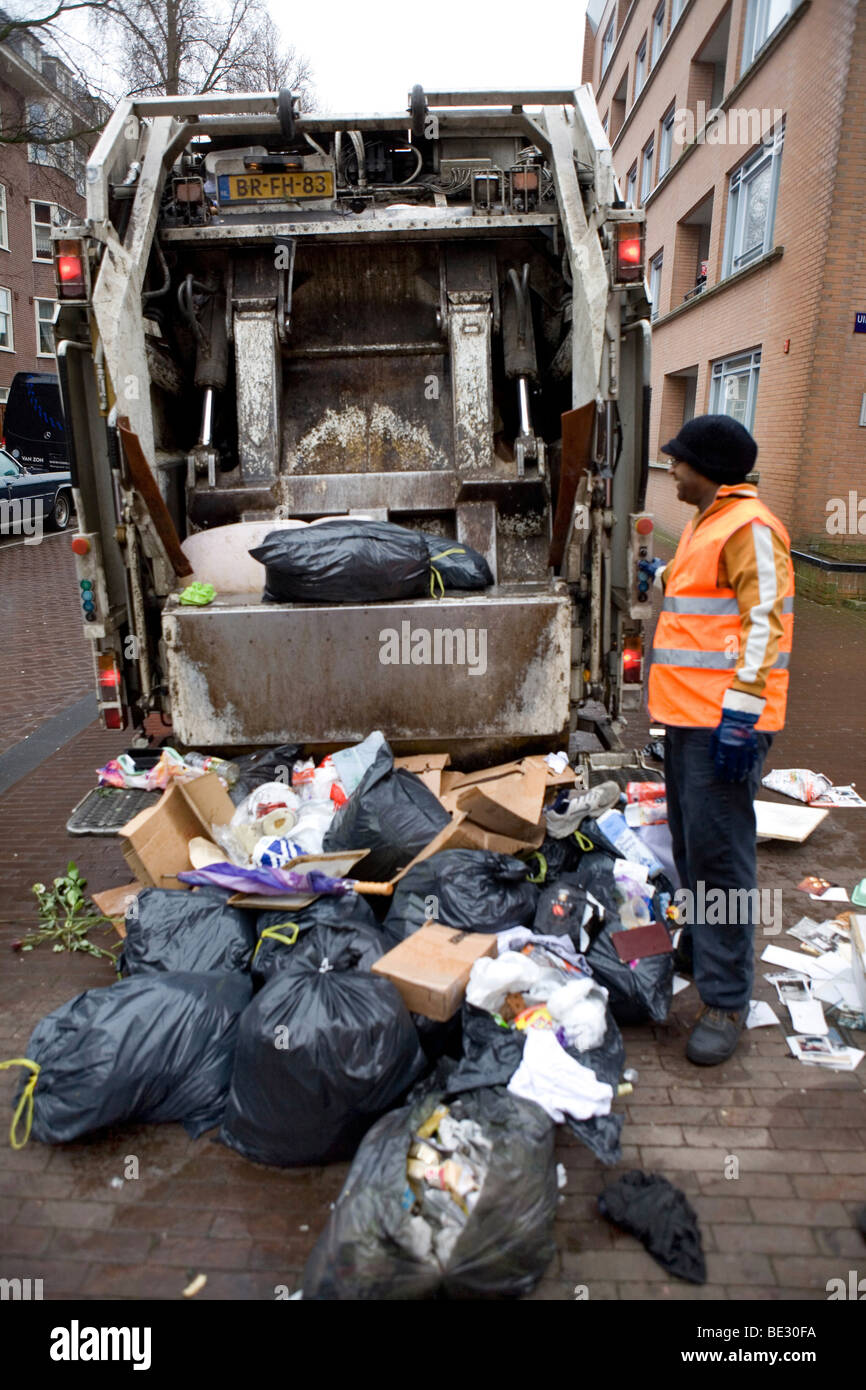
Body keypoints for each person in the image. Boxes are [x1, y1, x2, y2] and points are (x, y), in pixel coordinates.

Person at [643, 415, 794, 1065]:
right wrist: (661, 577)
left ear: (706, 467)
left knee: (722, 863)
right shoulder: (709, 522)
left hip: (722, 727)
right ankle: (704, 948)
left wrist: (743, 715)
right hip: (688, 721)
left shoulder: (750, 526)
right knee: (691, 850)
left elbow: (766, 624)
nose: (670, 468)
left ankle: (727, 999)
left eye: (677, 459)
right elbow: (704, 610)